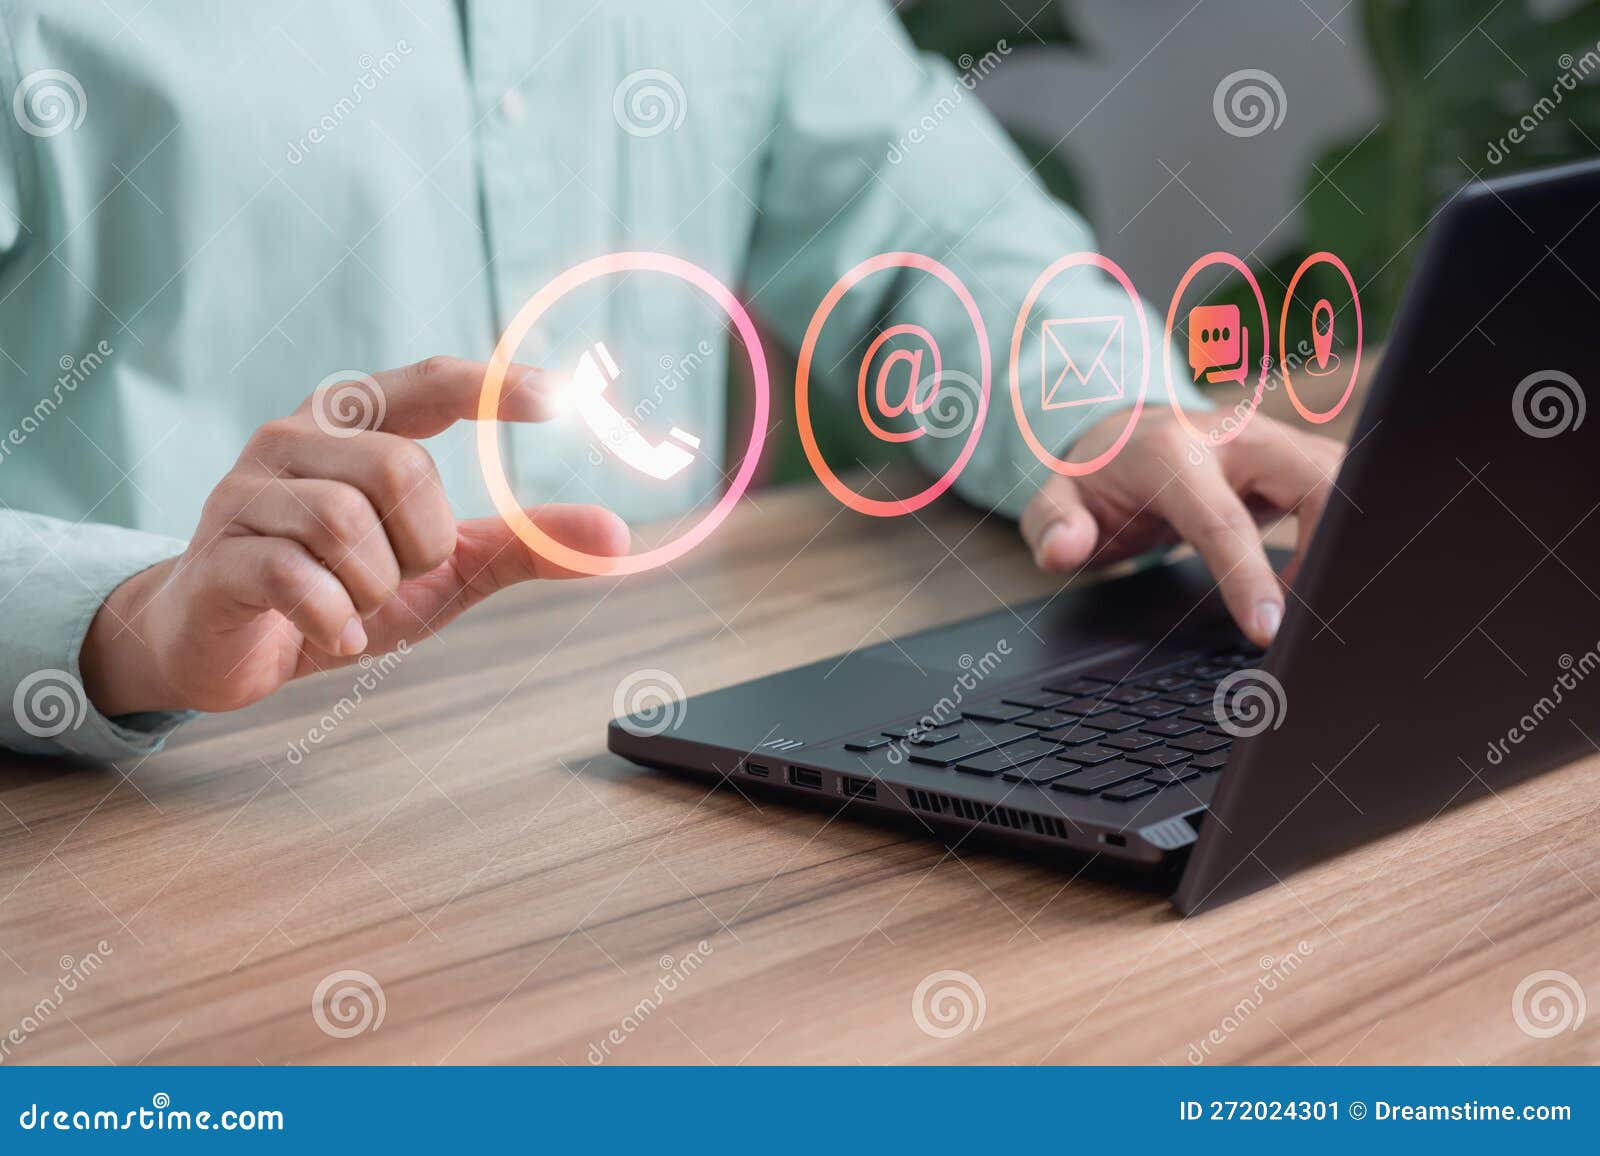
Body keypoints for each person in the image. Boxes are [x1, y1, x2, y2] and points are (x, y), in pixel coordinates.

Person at [0, 1, 1341, 760]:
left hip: (640, 812)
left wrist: (1097, 406)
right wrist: (125, 623)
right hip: (156, 849)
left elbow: (929, 224)